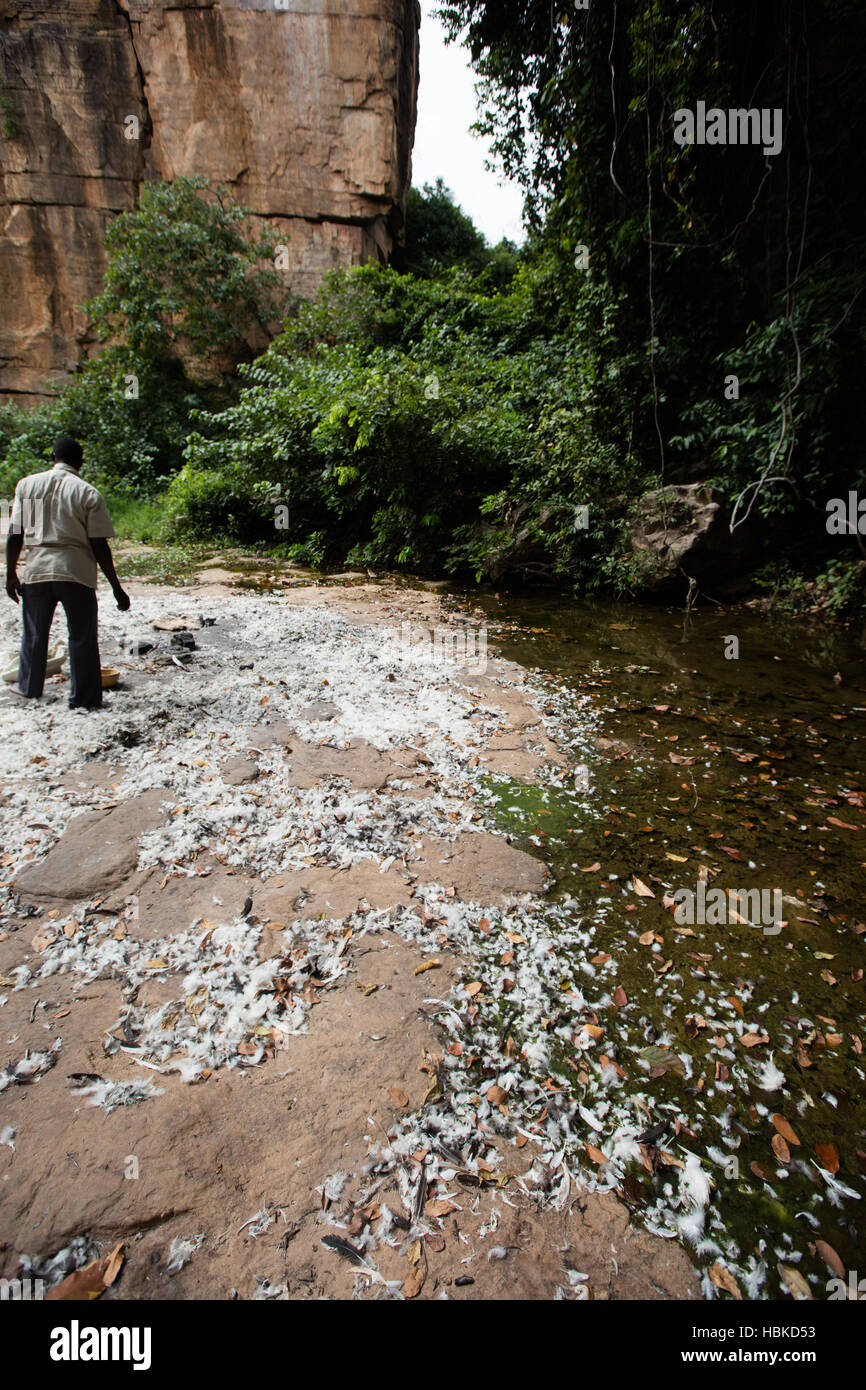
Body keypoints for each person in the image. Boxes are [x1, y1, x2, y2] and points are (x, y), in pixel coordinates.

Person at [4, 435, 130, 710]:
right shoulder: (87, 492)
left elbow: (15, 533)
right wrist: (116, 586)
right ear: (80, 463)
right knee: (81, 636)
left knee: (35, 634)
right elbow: (99, 544)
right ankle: (83, 699)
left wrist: (10, 573)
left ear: (53, 458)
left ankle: (29, 688)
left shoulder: (28, 486)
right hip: (76, 572)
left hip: (37, 569)